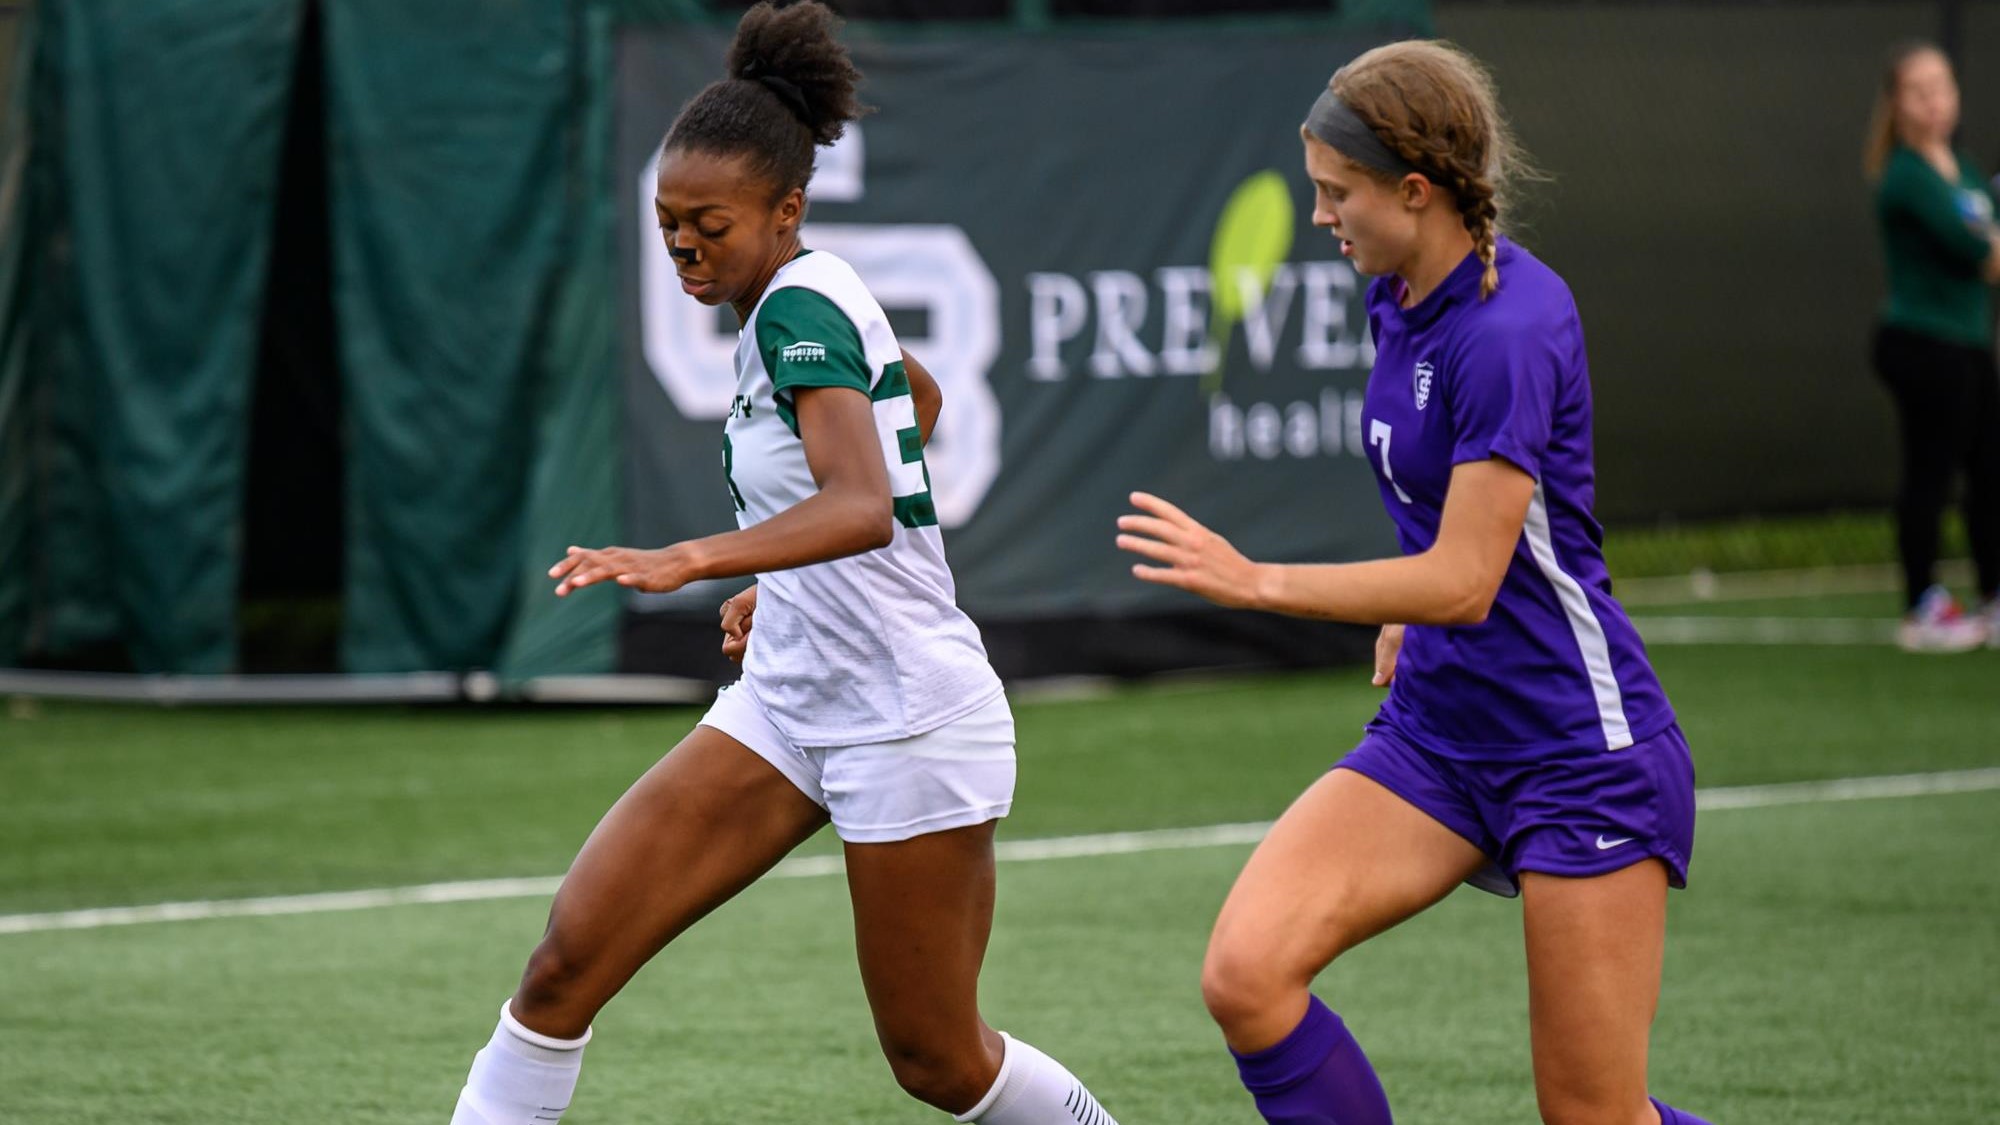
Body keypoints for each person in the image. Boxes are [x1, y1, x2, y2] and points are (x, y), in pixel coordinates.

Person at [448, 5, 1118, 1123]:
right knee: (564, 968)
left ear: (785, 210)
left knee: (938, 1061)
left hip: (904, 715)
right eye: (667, 226)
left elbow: (859, 502)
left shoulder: (802, 302)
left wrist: (699, 558)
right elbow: (918, 407)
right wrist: (788, 577)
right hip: (789, 700)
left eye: (706, 223)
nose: (682, 247)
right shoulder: (797, 296)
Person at [1115, 40, 1712, 1125]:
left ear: (1416, 190)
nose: (1317, 217)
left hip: (1576, 753)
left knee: (1589, 1114)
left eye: (1335, 193)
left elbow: (1466, 581)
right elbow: (1435, 529)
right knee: (1245, 975)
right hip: (1438, 730)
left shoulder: (1509, 328)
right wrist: (1398, 607)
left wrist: (1257, 583)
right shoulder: (1396, 294)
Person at [1865, 41, 2000, 653]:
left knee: (1989, 472)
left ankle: (1993, 597)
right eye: (1920, 91)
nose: (1935, 101)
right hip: (1923, 346)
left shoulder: (1965, 171)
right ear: (1899, 103)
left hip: (1969, 344)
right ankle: (1922, 603)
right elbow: (1984, 253)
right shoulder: (1907, 178)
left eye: (1942, 86)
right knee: (1930, 473)